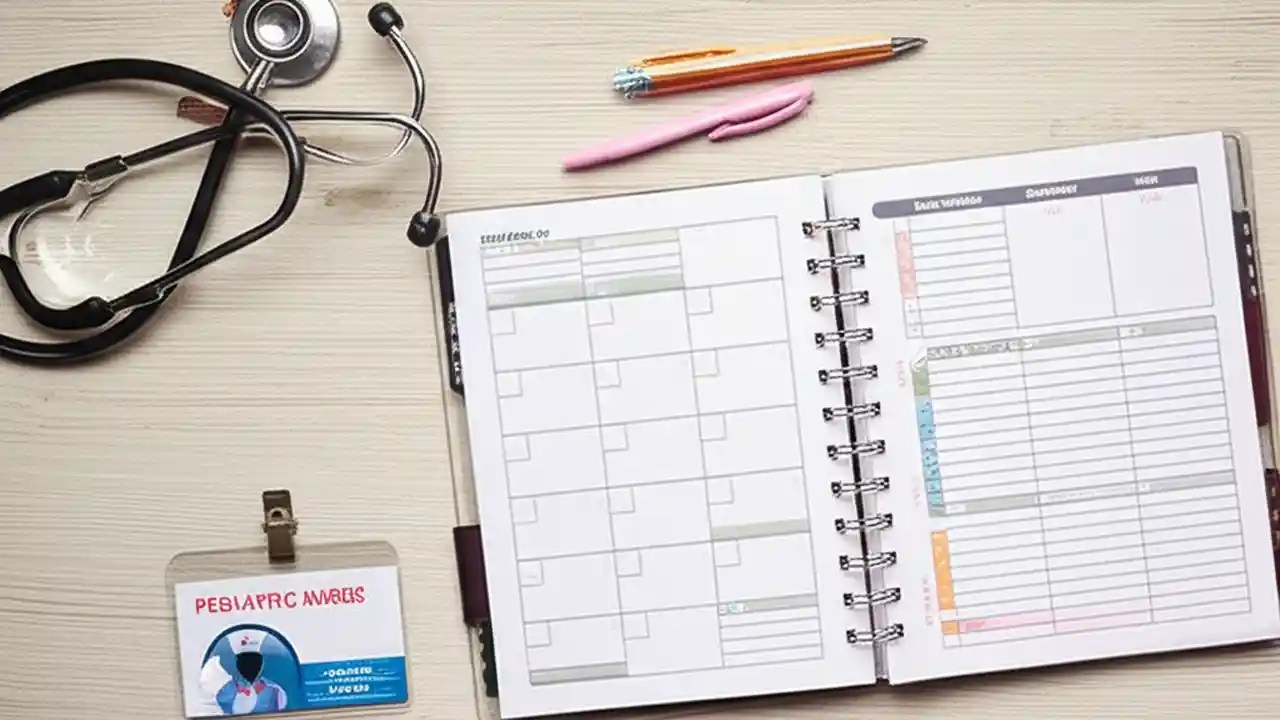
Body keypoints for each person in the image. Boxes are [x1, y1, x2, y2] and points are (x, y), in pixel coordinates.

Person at [211, 629, 289, 715]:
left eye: (254, 661)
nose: (250, 666)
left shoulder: (275, 691)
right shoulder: (226, 691)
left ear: (261, 663)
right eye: (245, 662)